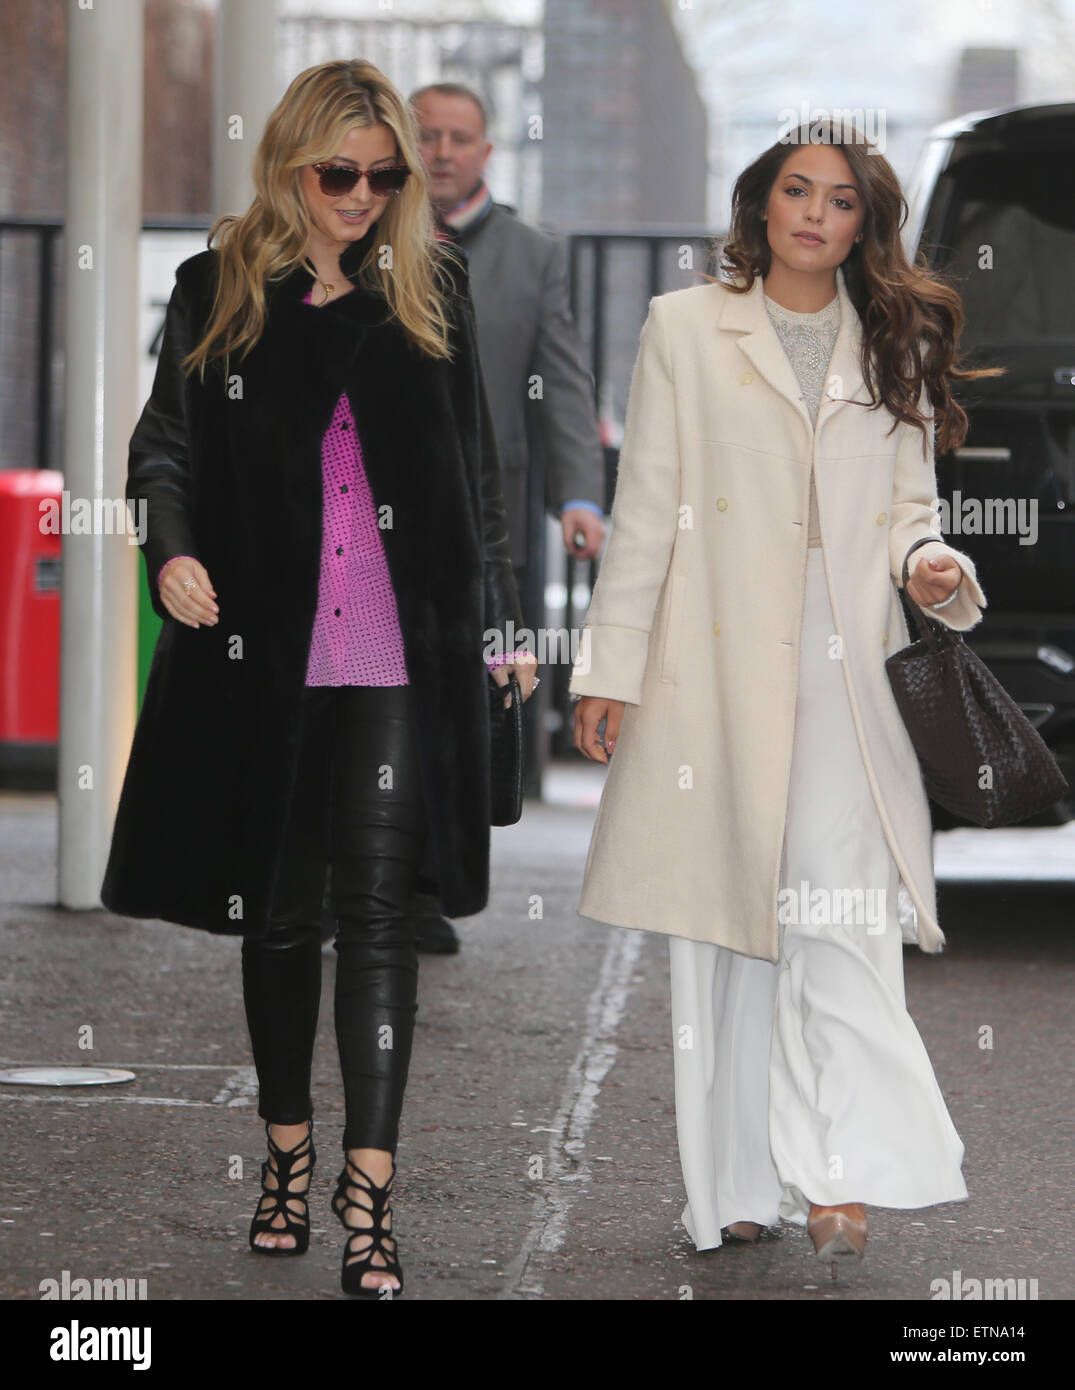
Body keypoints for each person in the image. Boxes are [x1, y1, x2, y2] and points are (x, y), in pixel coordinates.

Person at [100, 58, 536, 1298]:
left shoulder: (428, 284)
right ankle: (286, 1151)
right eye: (338, 172)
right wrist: (172, 549)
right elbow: (164, 445)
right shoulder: (218, 284)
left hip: (403, 648)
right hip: (272, 652)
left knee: (382, 917)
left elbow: (476, 475)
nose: (361, 194)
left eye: (382, 175)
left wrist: (501, 625)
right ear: (291, 161)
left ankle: (370, 1193)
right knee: (282, 913)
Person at [568, 119, 997, 1279]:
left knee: (842, 923)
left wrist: (931, 565)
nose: (815, 213)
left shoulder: (895, 342)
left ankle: (843, 1169)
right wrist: (608, 670)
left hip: (848, 676)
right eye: (796, 192)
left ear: (866, 221)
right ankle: (736, 1188)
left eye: (841, 199)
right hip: (711, 678)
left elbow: (911, 510)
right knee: (724, 938)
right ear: (760, 205)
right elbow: (648, 507)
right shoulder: (682, 330)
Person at [404, 81, 607, 952]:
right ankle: (377, 881)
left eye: (459, 138)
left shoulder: (531, 251)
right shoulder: (371, 234)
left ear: (486, 151)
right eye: (427, 137)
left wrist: (579, 495)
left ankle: (430, 882)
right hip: (373, 510)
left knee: (470, 694)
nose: (442, 152)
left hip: (487, 516)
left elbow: (560, 377)